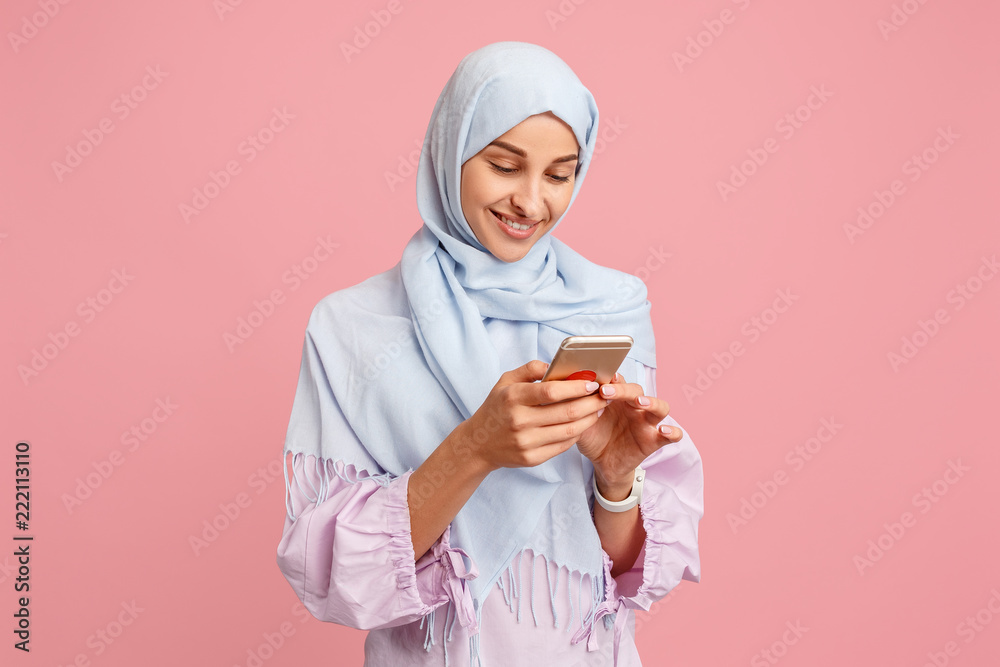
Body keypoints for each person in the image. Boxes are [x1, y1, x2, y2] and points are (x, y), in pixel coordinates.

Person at [276, 41, 703, 666]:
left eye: (560, 175)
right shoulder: (353, 327)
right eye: (505, 166)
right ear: (451, 155)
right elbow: (336, 582)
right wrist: (476, 448)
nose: (532, 203)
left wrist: (616, 480)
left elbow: (626, 580)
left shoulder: (610, 310)